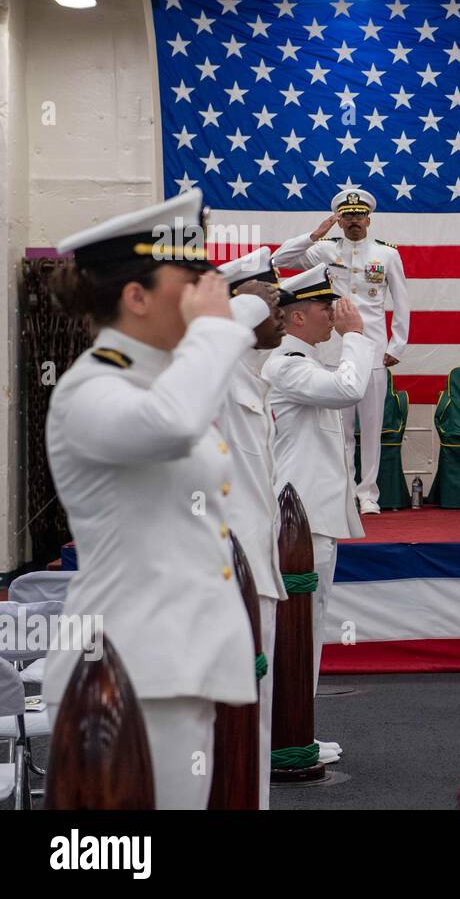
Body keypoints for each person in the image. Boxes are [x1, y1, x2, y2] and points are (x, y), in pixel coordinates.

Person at [44, 188, 263, 808]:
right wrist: (215, 334)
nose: (205, 289)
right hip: (126, 674)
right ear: (136, 297)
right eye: (189, 277)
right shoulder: (89, 389)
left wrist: (221, 329)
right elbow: (170, 425)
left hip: (177, 666)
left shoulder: (166, 379)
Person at [263, 262, 376, 766]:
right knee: (297, 633)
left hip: (311, 519)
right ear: (295, 317)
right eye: (324, 307)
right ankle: (284, 737)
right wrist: (356, 336)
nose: (334, 314)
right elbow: (352, 389)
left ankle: (295, 731)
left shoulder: (300, 361)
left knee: (306, 630)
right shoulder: (288, 365)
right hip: (298, 523)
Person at [269, 188, 410, 514]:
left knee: (372, 427)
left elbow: (401, 302)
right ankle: (346, 490)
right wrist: (315, 234)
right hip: (333, 349)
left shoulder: (387, 255)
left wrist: (397, 344)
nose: (354, 221)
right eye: (347, 217)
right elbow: (278, 260)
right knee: (339, 429)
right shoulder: (323, 251)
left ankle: (369, 494)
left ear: (369, 219)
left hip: (372, 349)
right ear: (339, 220)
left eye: (359, 216)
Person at [215, 246, 290, 808]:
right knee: (229, 721)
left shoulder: (251, 375)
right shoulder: (218, 373)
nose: (282, 311)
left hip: (255, 570)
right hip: (225, 574)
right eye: (274, 300)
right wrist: (236, 308)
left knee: (253, 720)